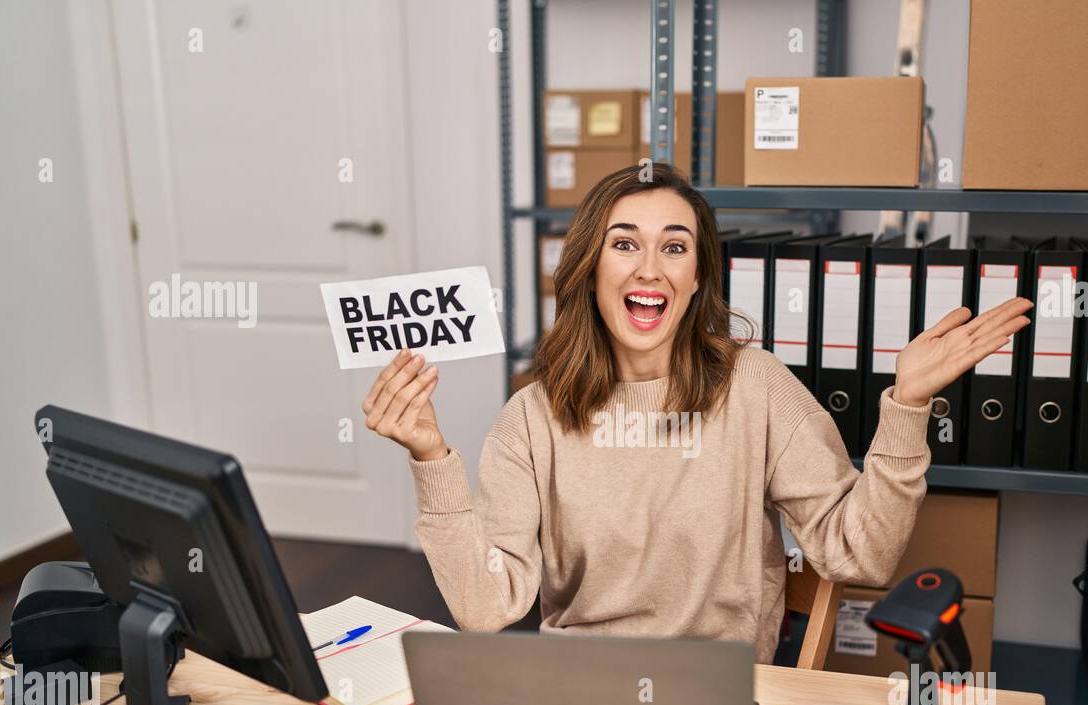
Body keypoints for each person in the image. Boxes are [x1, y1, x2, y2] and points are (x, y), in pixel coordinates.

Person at [362, 163, 1030, 663]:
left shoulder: (756, 388)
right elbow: (484, 609)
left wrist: (907, 406)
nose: (649, 268)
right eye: (624, 244)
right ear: (590, 269)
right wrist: (431, 459)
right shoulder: (531, 419)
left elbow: (862, 555)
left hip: (722, 691)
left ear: (698, 277)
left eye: (674, 247)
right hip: (577, 690)